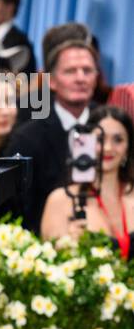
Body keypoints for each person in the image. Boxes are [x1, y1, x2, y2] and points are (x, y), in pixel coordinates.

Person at [1, 39, 100, 232]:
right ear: (52, 81)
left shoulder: (112, 130)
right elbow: (13, 213)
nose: (81, 78)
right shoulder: (26, 139)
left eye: (87, 70)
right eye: (70, 71)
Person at [40, 105, 134, 259]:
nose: (108, 147)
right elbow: (49, 268)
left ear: (128, 148)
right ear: (85, 144)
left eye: (118, 139)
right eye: (100, 139)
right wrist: (65, 247)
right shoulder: (61, 200)